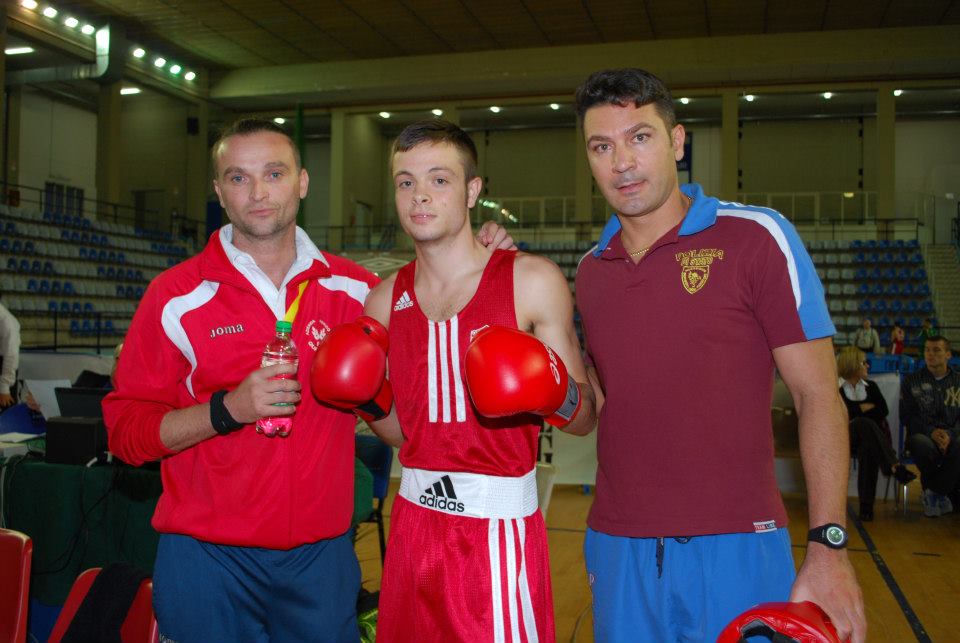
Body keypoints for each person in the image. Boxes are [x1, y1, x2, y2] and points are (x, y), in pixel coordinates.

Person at [102, 118, 513, 643]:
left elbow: (423, 392)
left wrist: (481, 249)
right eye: (237, 177)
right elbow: (125, 435)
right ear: (219, 192)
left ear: (302, 181)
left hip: (320, 560)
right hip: (206, 559)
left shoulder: (358, 291)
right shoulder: (174, 297)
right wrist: (227, 410)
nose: (257, 192)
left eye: (274, 173)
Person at [572, 68, 865, 643]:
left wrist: (829, 543)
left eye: (640, 137)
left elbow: (817, 396)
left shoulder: (756, 237)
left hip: (740, 545)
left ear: (677, 142)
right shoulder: (589, 271)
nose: (622, 163)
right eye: (602, 146)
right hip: (617, 547)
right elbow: (599, 404)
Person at [353, 119, 596, 642]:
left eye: (439, 180)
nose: (420, 196)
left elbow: (586, 420)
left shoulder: (530, 281)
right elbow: (403, 436)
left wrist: (552, 388)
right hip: (412, 527)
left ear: (472, 190)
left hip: (496, 539)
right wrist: (369, 402)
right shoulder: (381, 301)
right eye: (405, 181)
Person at [836, 346, 915, 521]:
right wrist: (862, 409)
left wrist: (856, 411)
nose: (867, 366)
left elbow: (883, 410)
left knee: (868, 448)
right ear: (852, 365)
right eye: (864, 363)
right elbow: (840, 415)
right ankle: (893, 465)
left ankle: (866, 507)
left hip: (864, 440)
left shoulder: (870, 386)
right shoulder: (837, 388)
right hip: (842, 439)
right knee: (864, 422)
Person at [900, 336, 960, 518]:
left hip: (955, 436)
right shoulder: (911, 381)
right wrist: (931, 432)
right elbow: (907, 416)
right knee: (920, 443)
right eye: (927, 350)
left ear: (948, 354)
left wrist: (950, 434)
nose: (930, 354)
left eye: (936, 350)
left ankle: (934, 492)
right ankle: (944, 493)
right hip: (923, 435)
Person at [0, 299, 21, 409]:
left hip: (4, 368)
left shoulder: (7, 323)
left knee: (7, 412)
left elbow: (11, 357)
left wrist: (4, 388)